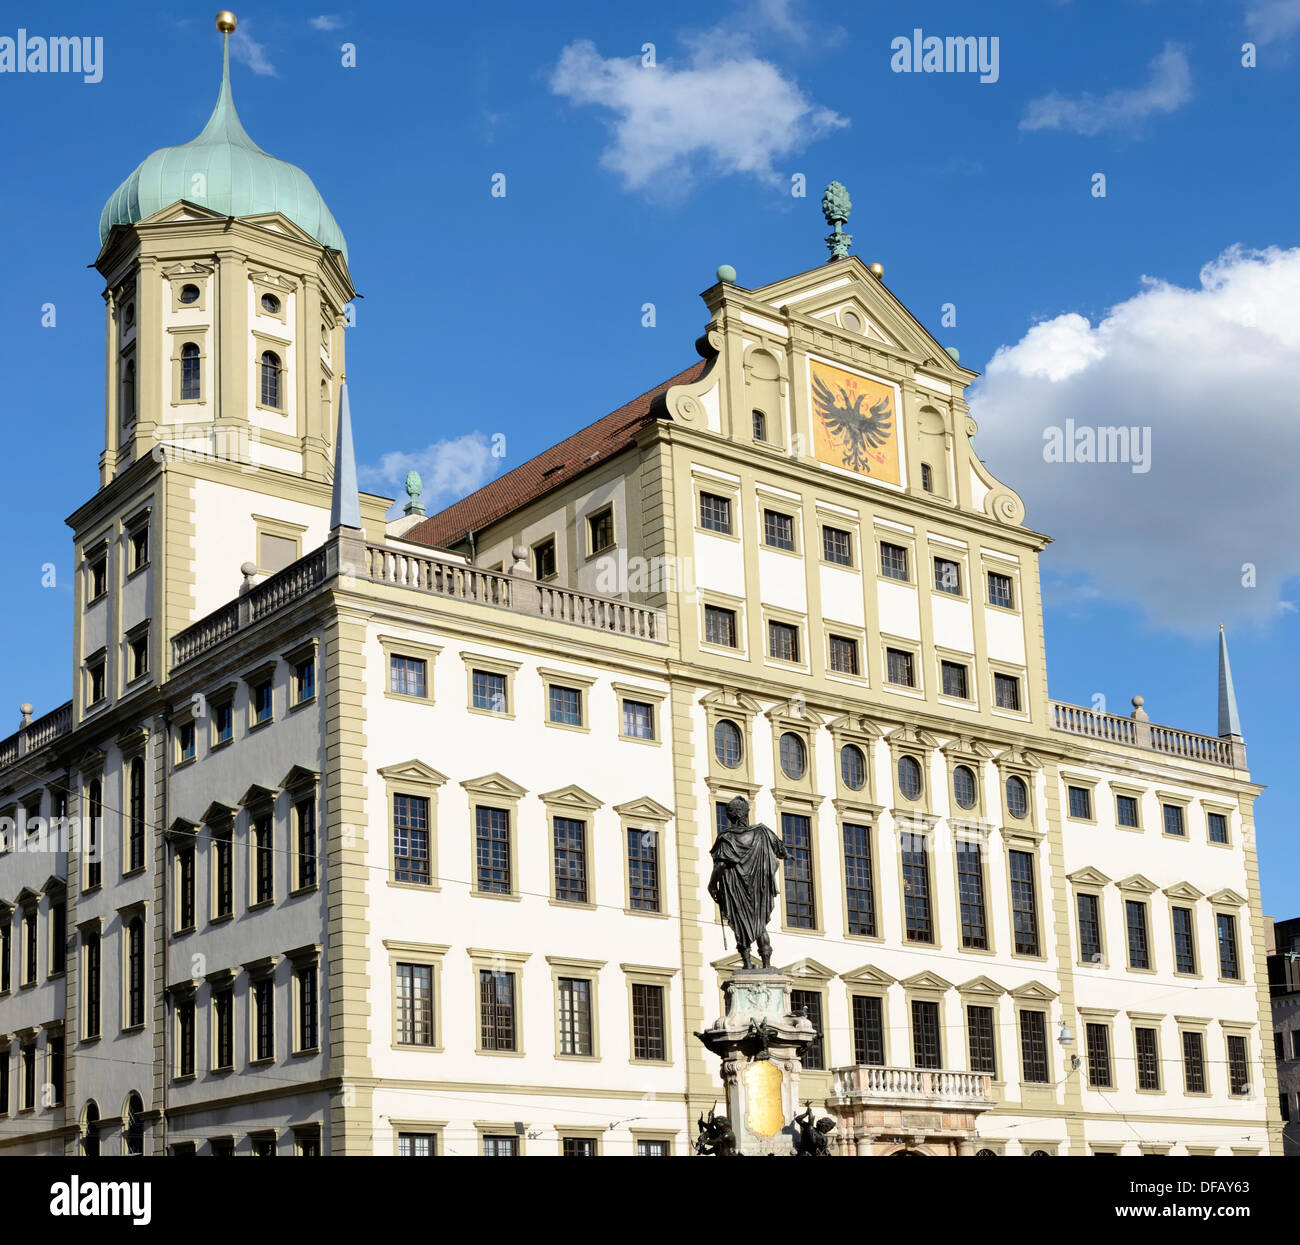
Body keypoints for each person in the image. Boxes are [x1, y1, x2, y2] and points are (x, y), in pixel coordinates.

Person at [707, 796, 785, 969]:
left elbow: (720, 865)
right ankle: (766, 964)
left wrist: (712, 885)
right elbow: (782, 850)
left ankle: (748, 964)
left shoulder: (726, 838)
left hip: (736, 889)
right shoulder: (762, 832)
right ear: (746, 814)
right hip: (758, 889)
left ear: (730, 816)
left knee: (740, 923)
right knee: (759, 925)